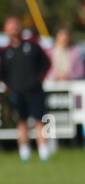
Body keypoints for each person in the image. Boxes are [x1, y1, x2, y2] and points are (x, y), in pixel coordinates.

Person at [1, 17, 50, 161]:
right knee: (21, 121)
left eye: (15, 25)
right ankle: (24, 150)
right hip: (17, 91)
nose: (13, 29)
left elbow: (46, 63)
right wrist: (9, 86)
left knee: (39, 120)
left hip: (35, 90)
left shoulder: (32, 45)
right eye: (10, 27)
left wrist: (38, 80)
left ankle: (43, 150)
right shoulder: (5, 52)